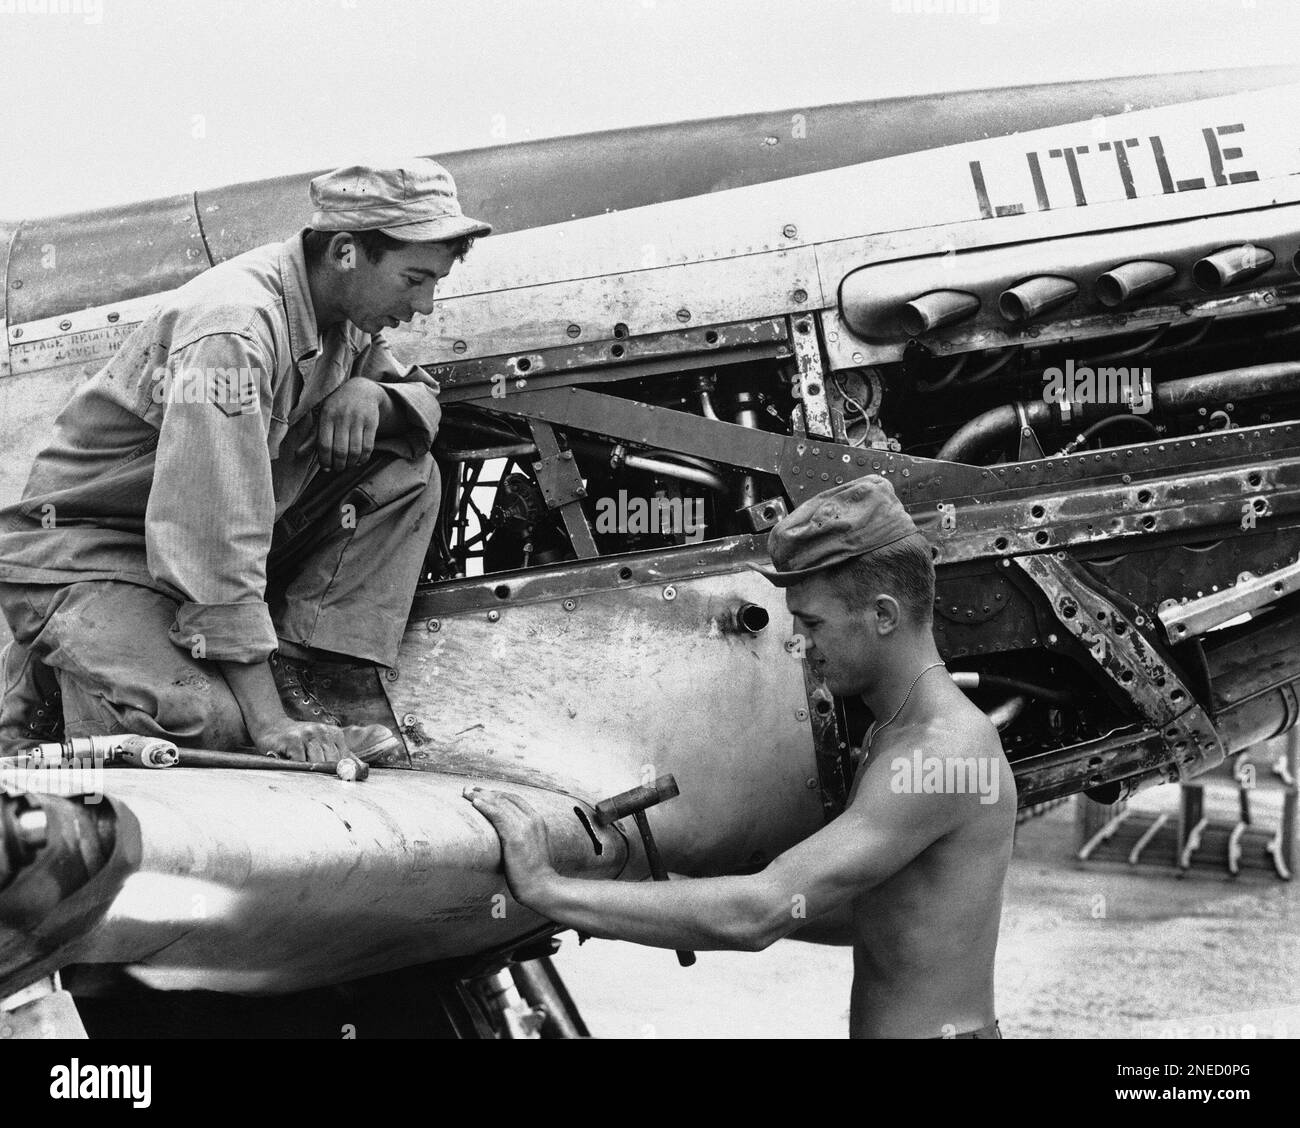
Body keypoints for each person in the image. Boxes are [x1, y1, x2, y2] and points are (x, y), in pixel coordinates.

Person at [464, 477, 1018, 1038]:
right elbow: (877, 918)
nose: (798, 643)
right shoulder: (895, 730)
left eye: (813, 623)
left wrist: (548, 889)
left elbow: (762, 911)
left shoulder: (940, 752)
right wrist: (650, 895)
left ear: (883, 614)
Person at [0, 159, 491, 762]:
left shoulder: (339, 312)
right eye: (414, 279)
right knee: (203, 723)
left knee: (406, 475)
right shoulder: (233, 333)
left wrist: (374, 396)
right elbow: (212, 536)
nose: (426, 304)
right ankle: (45, 686)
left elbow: (423, 402)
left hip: (177, 554)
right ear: (346, 252)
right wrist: (269, 724)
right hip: (90, 554)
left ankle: (304, 677)